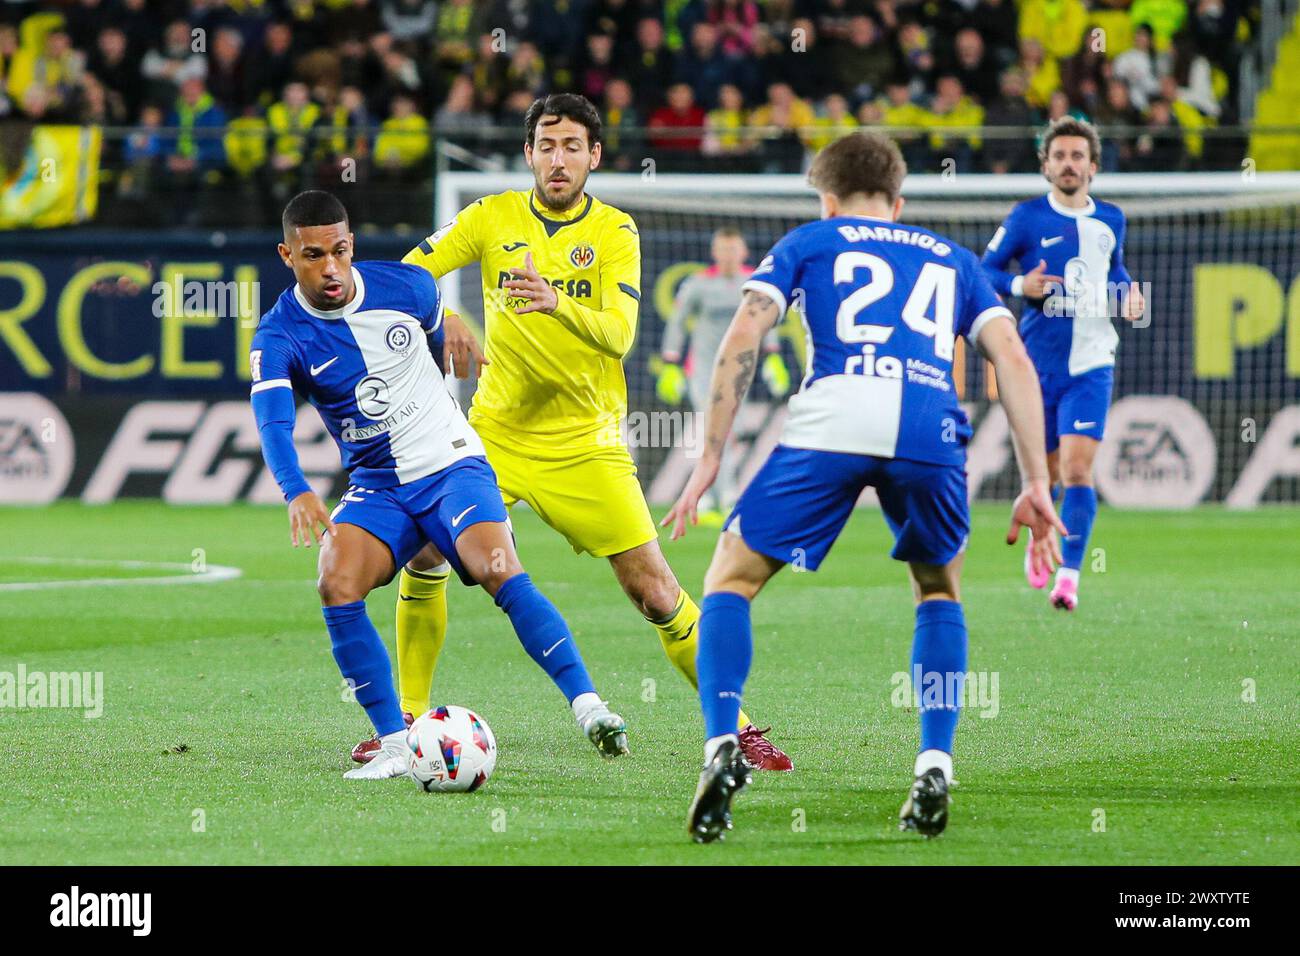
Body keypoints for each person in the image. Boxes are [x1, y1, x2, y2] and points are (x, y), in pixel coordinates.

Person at [663, 131, 1066, 842]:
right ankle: (934, 763)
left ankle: (723, 744)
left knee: (731, 578)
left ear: (827, 197)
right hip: (928, 425)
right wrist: (1038, 481)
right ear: (899, 200)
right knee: (939, 591)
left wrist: (707, 460)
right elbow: (1015, 362)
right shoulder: (954, 261)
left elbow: (741, 340)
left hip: (835, 416)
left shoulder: (808, 241)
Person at [375, 93, 793, 772]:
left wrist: (554, 301)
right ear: (529, 154)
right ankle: (405, 723)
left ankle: (736, 729)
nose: (558, 158)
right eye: (547, 144)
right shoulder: (492, 216)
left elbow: (620, 334)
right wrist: (442, 314)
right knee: (425, 552)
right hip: (494, 435)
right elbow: (403, 274)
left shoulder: (617, 232)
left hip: (586, 441)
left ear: (594, 156)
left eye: (573, 146)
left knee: (654, 590)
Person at [251, 190, 628, 780]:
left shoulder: (407, 286)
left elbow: (435, 318)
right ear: (287, 255)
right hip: (379, 484)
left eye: (340, 251)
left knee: (496, 565)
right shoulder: (278, 335)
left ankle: (590, 708)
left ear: (354, 246)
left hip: (452, 464)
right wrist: (295, 487)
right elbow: (273, 420)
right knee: (336, 580)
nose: (330, 268)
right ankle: (396, 744)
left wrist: (451, 322)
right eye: (313, 255)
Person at [980, 118, 1145, 609]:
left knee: (1077, 470)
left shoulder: (1112, 219)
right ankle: (1041, 538)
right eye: (1060, 156)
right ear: (1046, 166)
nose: (1068, 164)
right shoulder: (1027, 218)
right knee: (1046, 475)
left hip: (1093, 362)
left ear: (1093, 167)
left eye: (1077, 156)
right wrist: (1018, 288)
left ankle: (1069, 577)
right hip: (1036, 366)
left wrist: (1128, 297)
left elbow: (1116, 273)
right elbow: (982, 270)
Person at [657, 226, 790, 522]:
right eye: (723, 250)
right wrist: (670, 364)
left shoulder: (753, 282)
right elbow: (677, 323)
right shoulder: (698, 285)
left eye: (733, 250)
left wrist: (773, 358)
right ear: (714, 253)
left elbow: (763, 320)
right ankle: (722, 495)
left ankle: (711, 495)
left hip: (739, 370)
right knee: (714, 428)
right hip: (703, 370)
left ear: (742, 252)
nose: (728, 256)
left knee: (730, 432)